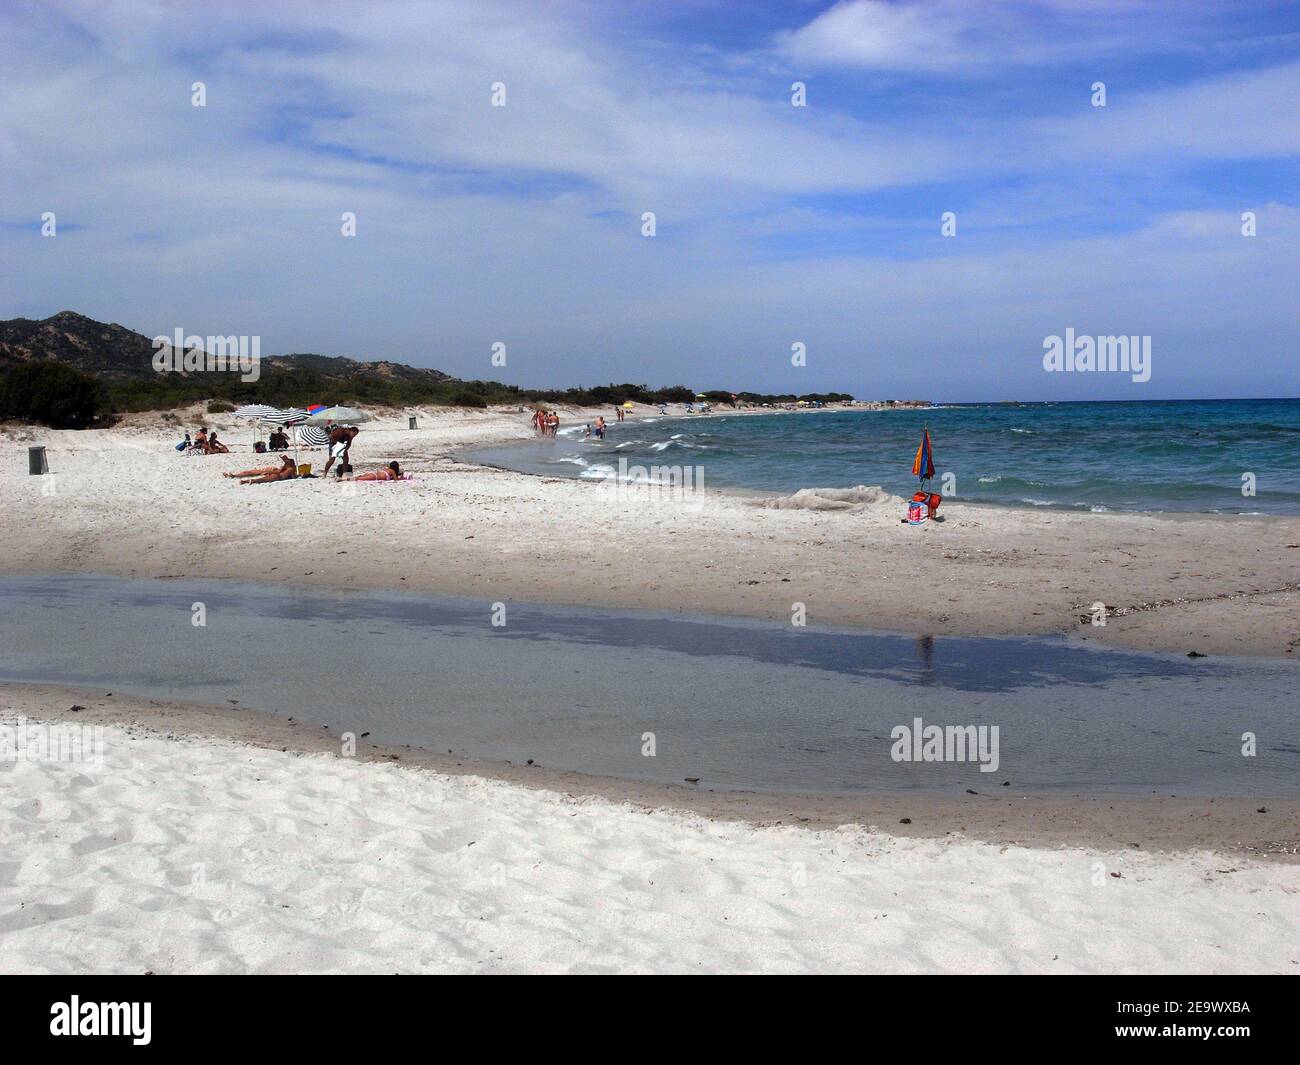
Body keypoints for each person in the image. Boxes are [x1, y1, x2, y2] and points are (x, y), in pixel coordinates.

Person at [224, 456, 295, 479]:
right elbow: (278, 471)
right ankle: (234, 475)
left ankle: (234, 475)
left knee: (252, 473)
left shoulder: (289, 467)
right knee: (252, 473)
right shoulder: (287, 466)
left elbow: (280, 472)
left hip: (273, 471)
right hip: (272, 470)